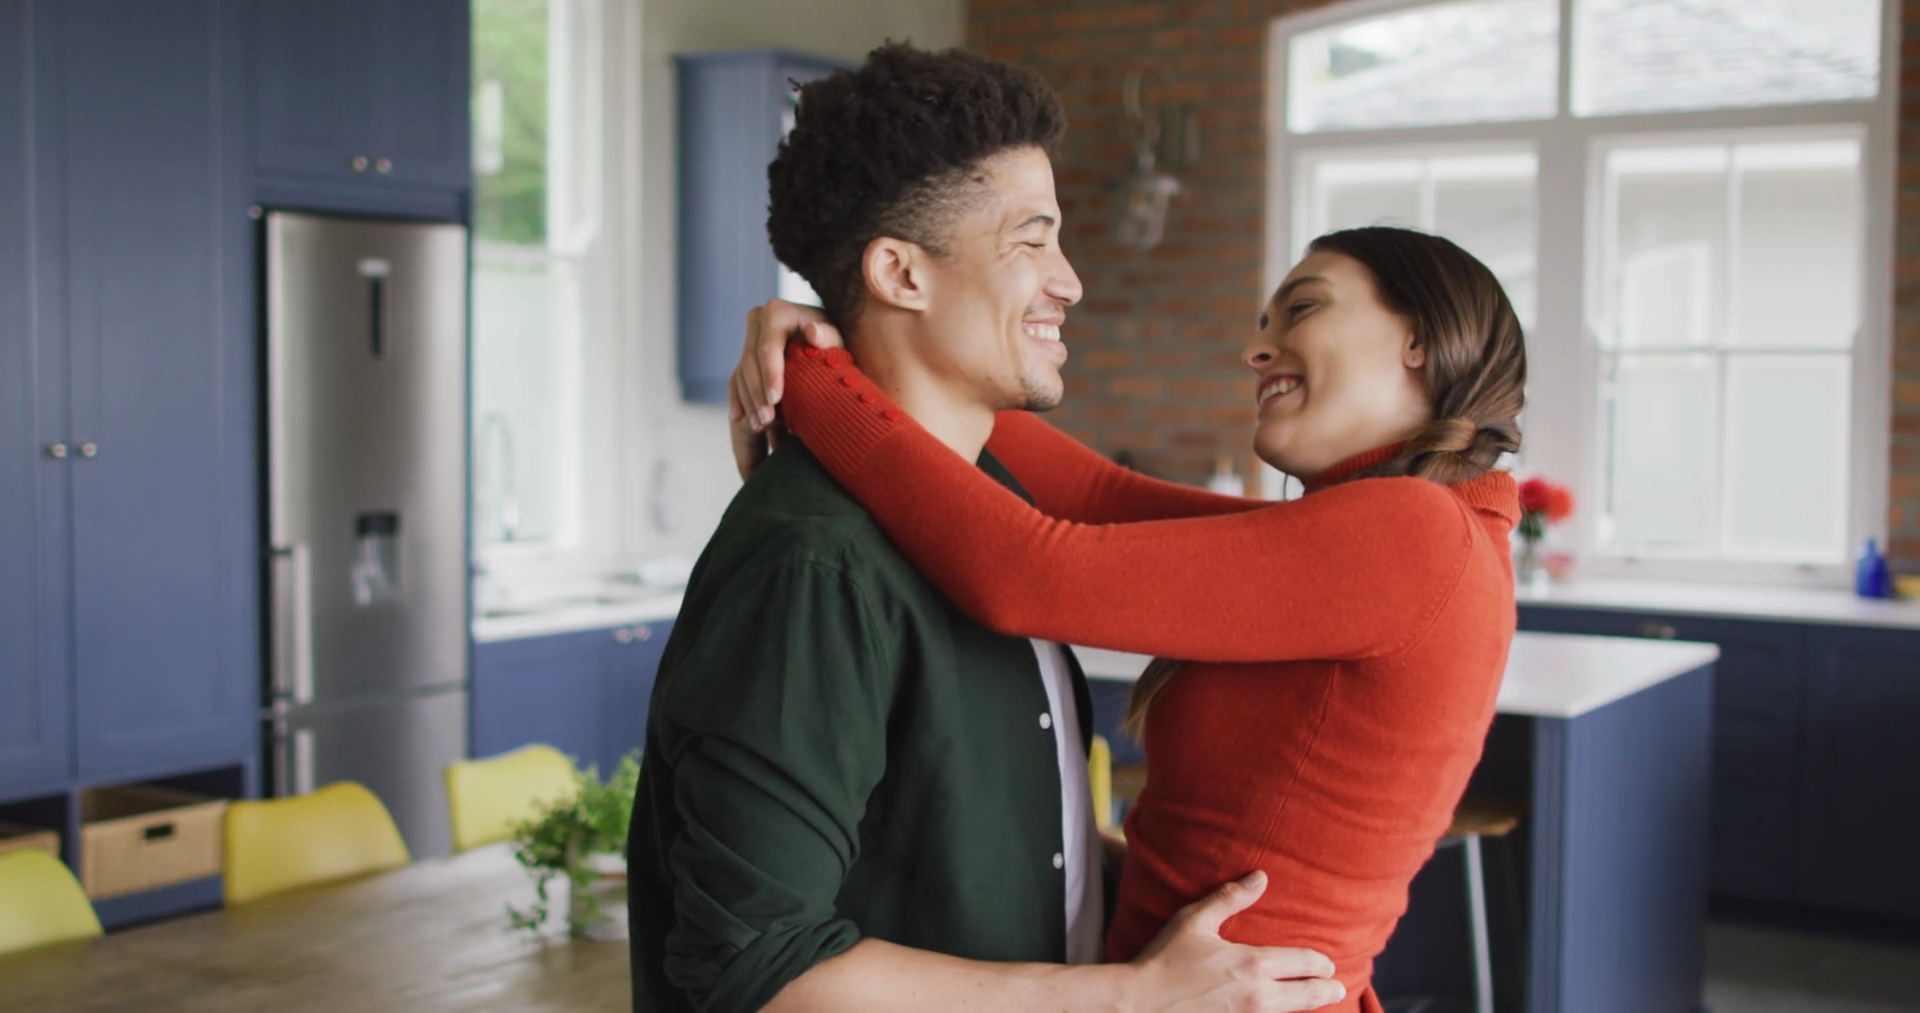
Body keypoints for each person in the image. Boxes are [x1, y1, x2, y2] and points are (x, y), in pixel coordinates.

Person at [628, 42, 1344, 1013]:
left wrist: (1184, 929)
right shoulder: (816, 564)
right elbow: (757, 967)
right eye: (1032, 239)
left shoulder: (995, 515)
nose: (1071, 281)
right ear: (902, 274)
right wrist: (1134, 994)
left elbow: (996, 836)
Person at [731, 225, 1527, 1013]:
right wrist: (876, 350)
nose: (1259, 350)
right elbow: (1101, 498)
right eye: (1263, 326)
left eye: (1303, 309)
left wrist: (810, 373)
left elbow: (1025, 570)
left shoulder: (1417, 535)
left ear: (1419, 339)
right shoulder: (1415, 532)